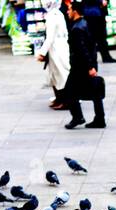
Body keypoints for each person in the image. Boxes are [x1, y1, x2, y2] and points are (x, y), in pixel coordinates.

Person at [63, 1, 105, 129]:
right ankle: (99, 119)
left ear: (75, 11)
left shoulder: (77, 28)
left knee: (69, 91)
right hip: (87, 65)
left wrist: (89, 67)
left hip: (80, 67)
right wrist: (92, 65)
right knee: (94, 92)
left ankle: (78, 117)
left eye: (69, 10)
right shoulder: (85, 24)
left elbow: (82, 50)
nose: (67, 12)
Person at [36, 0, 71, 110]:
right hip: (59, 47)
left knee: (60, 74)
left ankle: (65, 101)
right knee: (55, 75)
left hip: (57, 49)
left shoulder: (52, 16)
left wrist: (42, 53)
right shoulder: (58, 14)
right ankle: (59, 99)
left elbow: (50, 38)